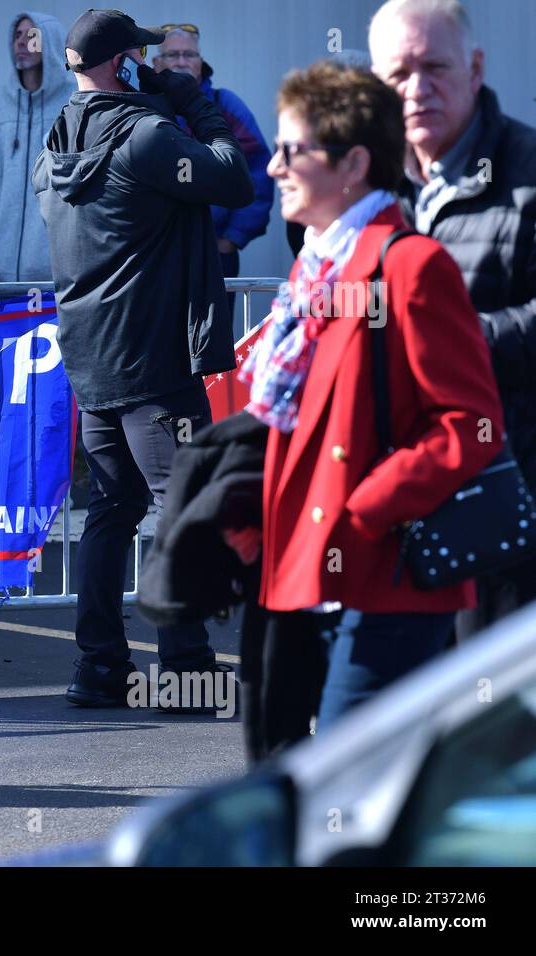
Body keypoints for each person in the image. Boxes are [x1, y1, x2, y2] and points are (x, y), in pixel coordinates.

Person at [236, 60, 502, 730]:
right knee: (299, 780)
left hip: (385, 577)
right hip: (299, 572)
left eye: (291, 150)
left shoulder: (411, 264)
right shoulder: (314, 265)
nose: (272, 168)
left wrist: (361, 510)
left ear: (353, 163)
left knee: (350, 796)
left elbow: (470, 425)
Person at [32, 9, 252, 708]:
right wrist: (189, 100)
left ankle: (98, 669)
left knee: (112, 508)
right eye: (144, 57)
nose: (160, 65)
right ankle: (186, 667)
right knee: (178, 507)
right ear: (125, 62)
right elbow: (233, 178)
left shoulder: (57, 139)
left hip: (92, 356)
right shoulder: (149, 134)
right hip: (154, 357)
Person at [368, 0, 536, 639]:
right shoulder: (366, 184)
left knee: (494, 720)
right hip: (399, 508)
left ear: (475, 68)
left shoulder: (527, 171)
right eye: (397, 76)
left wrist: (447, 346)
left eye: (434, 68)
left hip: (506, 504)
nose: (416, 89)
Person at [151, 22, 273, 281]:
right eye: (172, 55)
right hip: (155, 253)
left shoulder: (225, 105)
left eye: (190, 54)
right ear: (156, 63)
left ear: (200, 61)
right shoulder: (142, 107)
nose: (182, 61)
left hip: (215, 253)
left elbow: (260, 171)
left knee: (216, 323)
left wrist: (232, 238)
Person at [0, 12, 73, 283]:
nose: (21, 43)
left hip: (58, 276)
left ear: (50, 43)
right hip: (1, 274)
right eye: (17, 36)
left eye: (32, 36)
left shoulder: (74, 103)